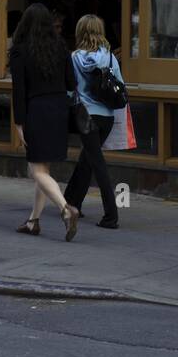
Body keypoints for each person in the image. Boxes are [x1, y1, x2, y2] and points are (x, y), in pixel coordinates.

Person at [10, 3, 80, 241]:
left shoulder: (20, 50)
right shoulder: (60, 47)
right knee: (44, 169)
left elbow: (18, 91)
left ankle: (65, 209)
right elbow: (72, 83)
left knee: (35, 169)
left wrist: (19, 123)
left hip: (36, 110)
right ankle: (33, 221)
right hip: (59, 108)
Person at [65, 14, 124, 229]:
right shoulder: (110, 58)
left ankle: (111, 215)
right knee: (88, 159)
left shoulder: (74, 57)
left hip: (85, 114)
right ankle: (72, 202)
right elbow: (120, 87)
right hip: (106, 116)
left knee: (96, 163)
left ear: (80, 32)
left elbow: (69, 89)